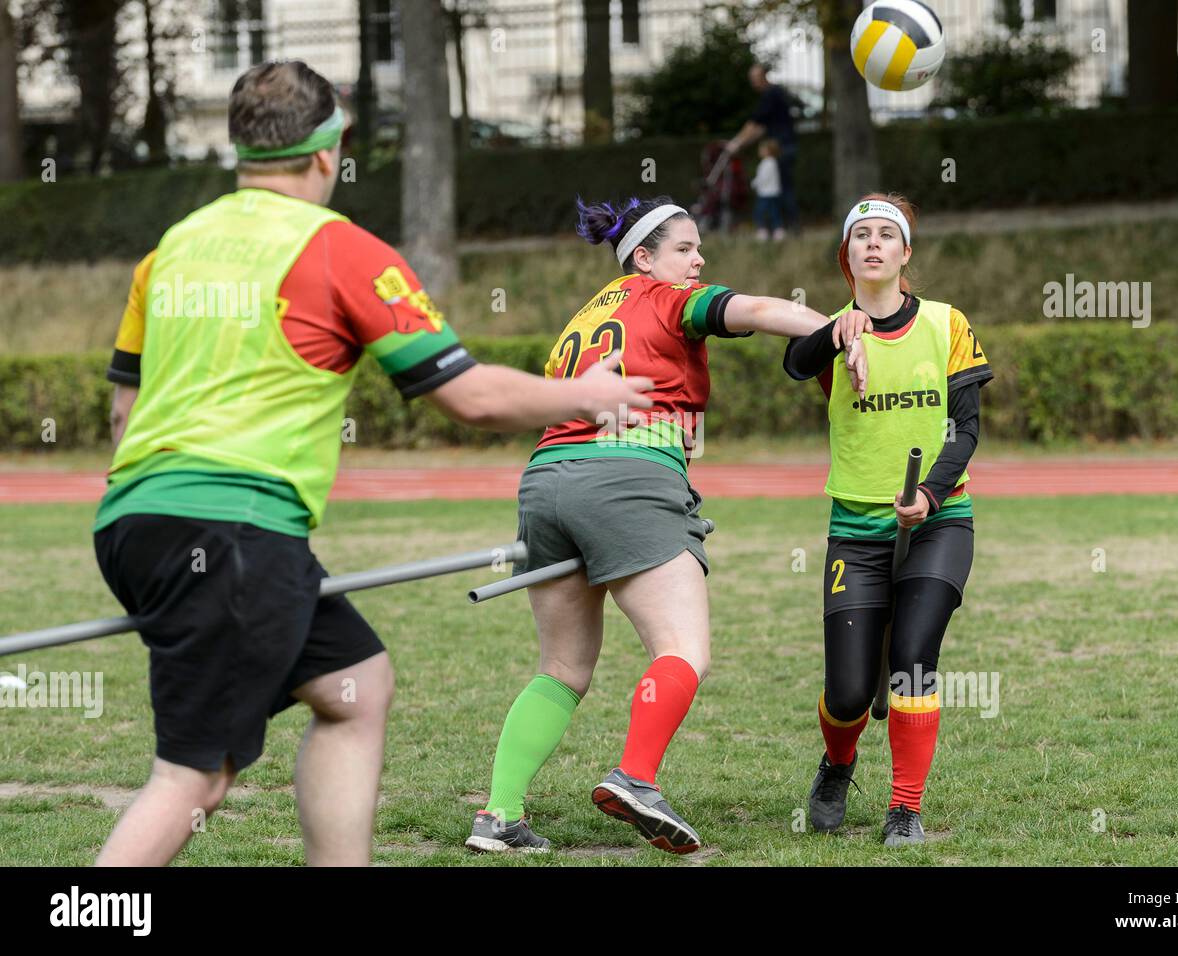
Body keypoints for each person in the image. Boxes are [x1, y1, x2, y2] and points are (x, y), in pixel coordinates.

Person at [92, 60, 652, 867]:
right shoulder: (341, 251)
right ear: (331, 150)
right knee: (193, 778)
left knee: (355, 686)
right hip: (232, 531)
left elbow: (124, 413)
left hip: (137, 521)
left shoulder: (171, 249)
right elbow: (470, 397)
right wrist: (587, 393)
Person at [466, 195, 866, 855]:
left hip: (545, 479)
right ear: (645, 258)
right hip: (629, 477)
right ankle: (635, 777)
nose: (699, 260)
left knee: (561, 667)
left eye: (698, 248)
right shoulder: (669, 298)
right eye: (685, 249)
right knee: (683, 648)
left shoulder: (587, 313)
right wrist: (839, 327)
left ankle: (498, 814)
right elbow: (757, 311)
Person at [782, 193, 993, 846]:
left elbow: (965, 428)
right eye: (861, 235)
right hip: (856, 530)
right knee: (849, 694)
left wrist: (929, 493)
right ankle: (837, 763)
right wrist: (837, 332)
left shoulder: (946, 323)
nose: (873, 243)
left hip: (938, 523)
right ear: (846, 255)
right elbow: (795, 363)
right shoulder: (828, 333)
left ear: (905, 253)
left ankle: (905, 809)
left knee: (911, 660)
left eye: (886, 235)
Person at [724, 64, 799, 234]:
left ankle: (788, 226)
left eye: (754, 79)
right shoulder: (774, 94)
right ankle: (783, 226)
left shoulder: (771, 95)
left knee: (782, 188)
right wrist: (742, 143)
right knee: (782, 188)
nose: (753, 83)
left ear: (763, 77)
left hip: (782, 148)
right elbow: (761, 128)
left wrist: (736, 142)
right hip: (783, 146)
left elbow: (754, 123)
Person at [751, 138, 784, 241]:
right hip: (771, 192)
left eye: (762, 149)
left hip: (766, 193)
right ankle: (776, 230)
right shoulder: (771, 162)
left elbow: (763, 178)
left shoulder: (768, 163)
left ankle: (764, 231)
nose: (760, 151)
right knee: (774, 212)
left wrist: (754, 183)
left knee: (760, 212)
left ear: (768, 151)